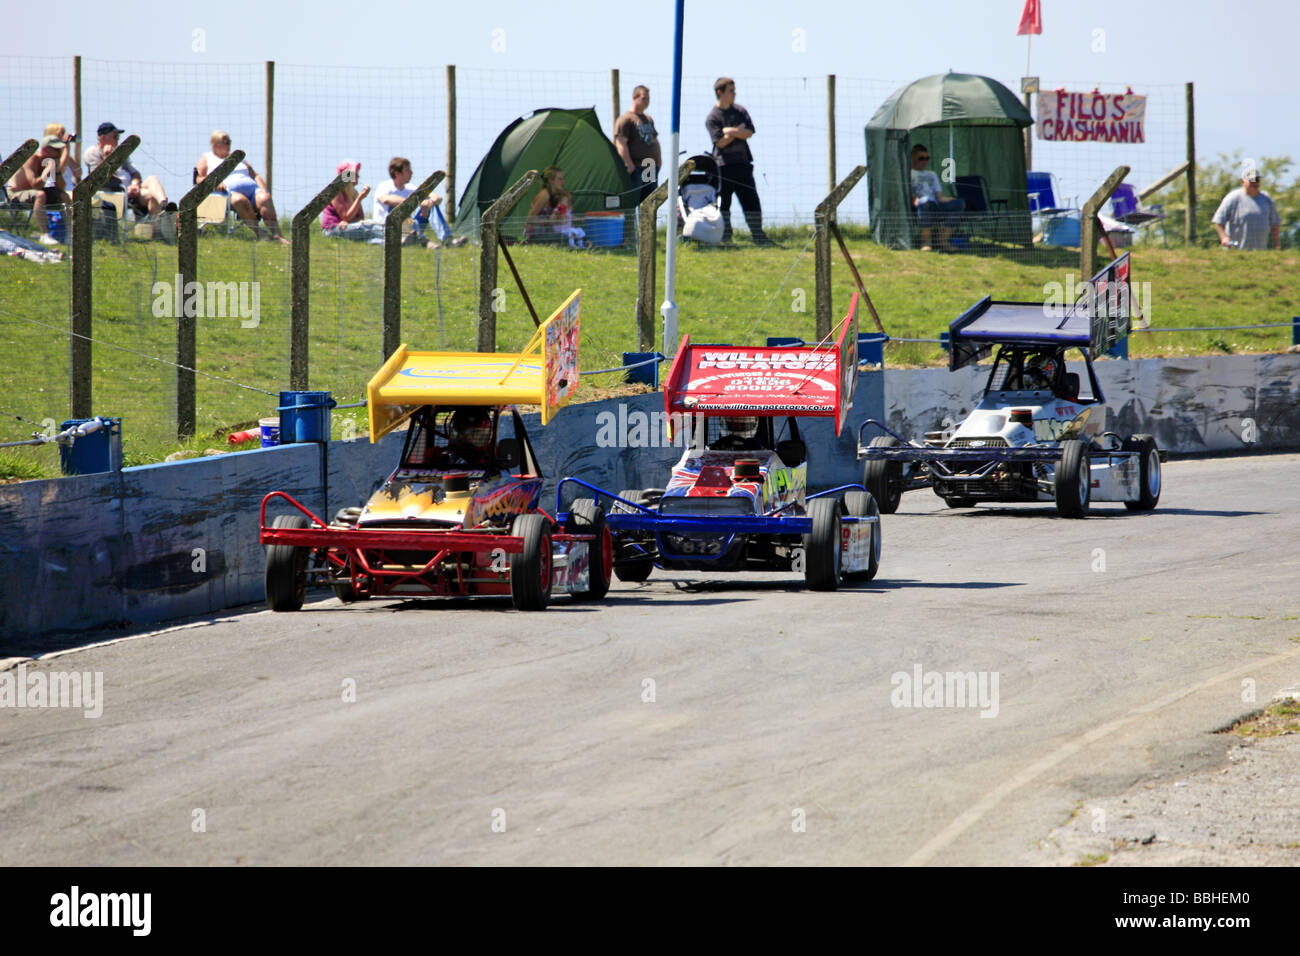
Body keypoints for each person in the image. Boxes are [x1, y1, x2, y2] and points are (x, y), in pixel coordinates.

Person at [83, 121, 176, 241]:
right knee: (150, 196)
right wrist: (107, 158)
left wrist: (135, 184)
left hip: (131, 190)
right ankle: (159, 232)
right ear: (102, 138)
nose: (117, 140)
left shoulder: (121, 152)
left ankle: (164, 204)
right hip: (114, 191)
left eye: (118, 137)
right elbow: (99, 179)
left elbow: (135, 173)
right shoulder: (92, 152)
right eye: (115, 136)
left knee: (152, 179)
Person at [705, 77, 771, 245]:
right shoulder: (713, 117)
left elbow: (748, 132)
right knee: (724, 204)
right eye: (731, 91)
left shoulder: (740, 110)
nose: (734, 94)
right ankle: (726, 238)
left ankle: (758, 236)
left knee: (751, 201)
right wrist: (737, 131)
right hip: (723, 166)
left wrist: (728, 131)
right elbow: (720, 142)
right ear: (720, 93)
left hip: (743, 164)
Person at [195, 130, 287, 242]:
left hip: (253, 191)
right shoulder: (207, 158)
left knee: (265, 198)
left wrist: (263, 189)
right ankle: (259, 233)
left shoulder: (236, 157)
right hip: (226, 193)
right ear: (215, 144)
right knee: (239, 200)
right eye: (225, 142)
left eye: (229, 141)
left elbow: (255, 175)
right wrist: (215, 183)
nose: (229, 144)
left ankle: (278, 236)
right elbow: (199, 178)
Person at [373, 157, 466, 248]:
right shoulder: (385, 186)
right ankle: (423, 241)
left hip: (410, 225)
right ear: (397, 173)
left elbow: (437, 198)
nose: (411, 173)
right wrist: (418, 202)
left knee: (431, 205)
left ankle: (447, 239)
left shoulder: (409, 188)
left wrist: (429, 203)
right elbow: (386, 199)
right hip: (389, 227)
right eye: (407, 170)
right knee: (395, 209)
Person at [6, 132, 74, 246]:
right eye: (56, 150)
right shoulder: (32, 159)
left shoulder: (50, 161)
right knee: (40, 194)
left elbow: (61, 187)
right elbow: (35, 185)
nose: (58, 154)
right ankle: (44, 235)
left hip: (37, 192)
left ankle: (70, 236)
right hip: (16, 193)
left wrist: (56, 171)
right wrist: (48, 170)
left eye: (60, 151)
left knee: (64, 196)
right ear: (45, 150)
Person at [1212, 162, 1281, 250]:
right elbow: (1218, 221)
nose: (1255, 183)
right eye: (1251, 180)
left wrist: (1277, 245)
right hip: (1235, 251)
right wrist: (1224, 237)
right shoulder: (1233, 198)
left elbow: (1275, 224)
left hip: (1260, 252)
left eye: (1257, 180)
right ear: (1242, 181)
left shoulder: (1266, 199)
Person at [909, 143, 965, 252]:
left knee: (959, 203)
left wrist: (950, 200)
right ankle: (926, 242)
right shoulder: (908, 173)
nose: (924, 161)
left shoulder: (932, 174)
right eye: (921, 158)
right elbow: (911, 196)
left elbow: (939, 196)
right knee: (925, 201)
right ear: (913, 157)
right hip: (921, 204)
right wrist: (915, 200)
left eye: (927, 158)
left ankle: (943, 241)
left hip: (935, 204)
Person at [615, 85, 661, 204]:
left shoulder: (648, 119)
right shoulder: (626, 119)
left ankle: (648, 223)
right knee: (633, 201)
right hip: (637, 167)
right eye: (644, 98)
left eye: (648, 99)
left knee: (650, 202)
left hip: (650, 167)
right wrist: (629, 165)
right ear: (635, 97)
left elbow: (655, 140)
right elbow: (620, 143)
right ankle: (632, 223)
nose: (647, 102)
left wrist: (659, 161)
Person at [319, 160, 384, 242]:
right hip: (332, 230)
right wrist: (359, 198)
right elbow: (346, 217)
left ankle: (393, 244)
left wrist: (358, 199)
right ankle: (394, 239)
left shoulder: (354, 192)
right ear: (346, 175)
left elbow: (360, 218)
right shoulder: (335, 192)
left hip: (347, 227)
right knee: (367, 227)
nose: (358, 176)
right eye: (355, 174)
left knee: (371, 229)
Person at [524, 166, 586, 247]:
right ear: (550, 180)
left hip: (547, 234)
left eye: (563, 179)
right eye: (559, 179)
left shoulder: (556, 195)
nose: (563, 182)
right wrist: (550, 222)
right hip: (534, 236)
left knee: (577, 234)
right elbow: (530, 219)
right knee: (565, 237)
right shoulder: (544, 195)